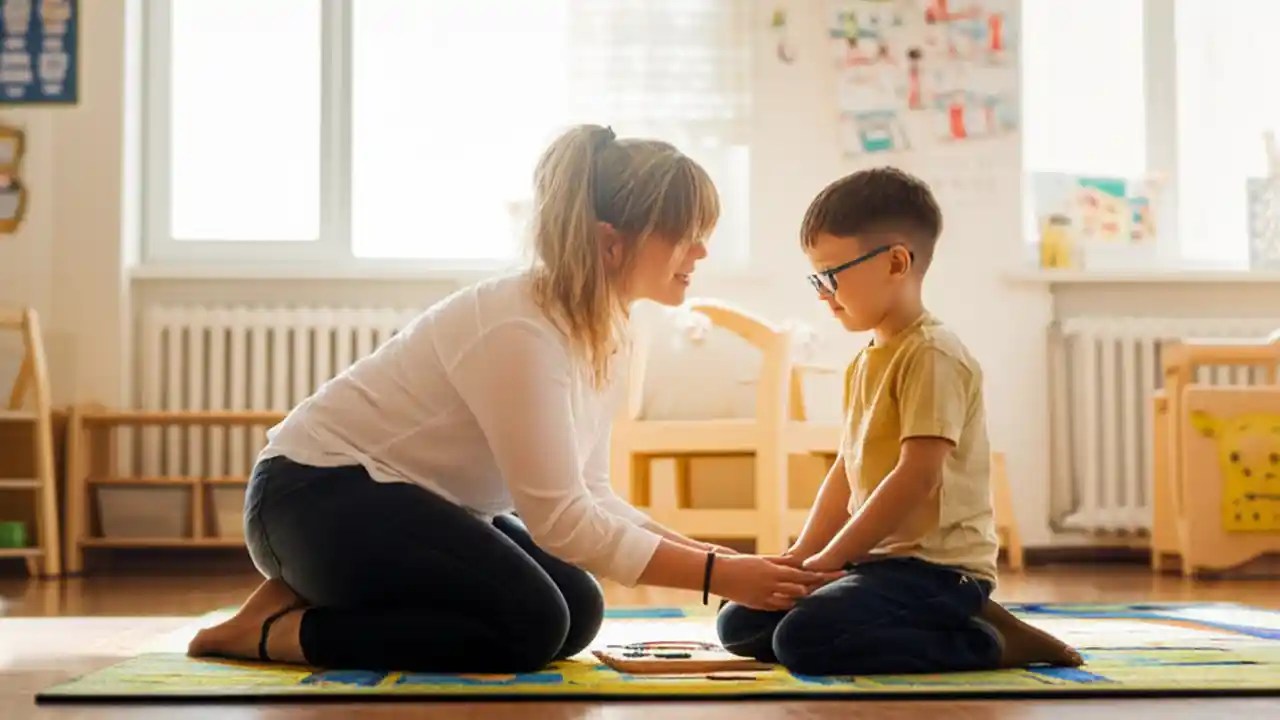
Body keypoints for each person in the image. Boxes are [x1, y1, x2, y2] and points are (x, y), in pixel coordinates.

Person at [187, 124, 841, 673]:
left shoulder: (607, 328)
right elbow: (561, 522)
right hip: (311, 498)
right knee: (528, 625)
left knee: (577, 613)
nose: (701, 250)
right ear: (613, 242)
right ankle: (275, 633)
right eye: (685, 233)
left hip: (407, 500)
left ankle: (298, 602)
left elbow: (591, 495)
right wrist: (717, 577)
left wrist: (726, 561)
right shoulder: (520, 326)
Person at [716, 167, 1084, 676]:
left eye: (831, 275)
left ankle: (986, 639)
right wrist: (803, 555)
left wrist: (832, 562)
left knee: (802, 640)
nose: (822, 293)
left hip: (937, 574)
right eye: (815, 277)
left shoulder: (933, 354)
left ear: (895, 262)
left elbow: (917, 477)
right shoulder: (867, 359)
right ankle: (924, 621)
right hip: (876, 566)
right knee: (740, 625)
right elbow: (848, 469)